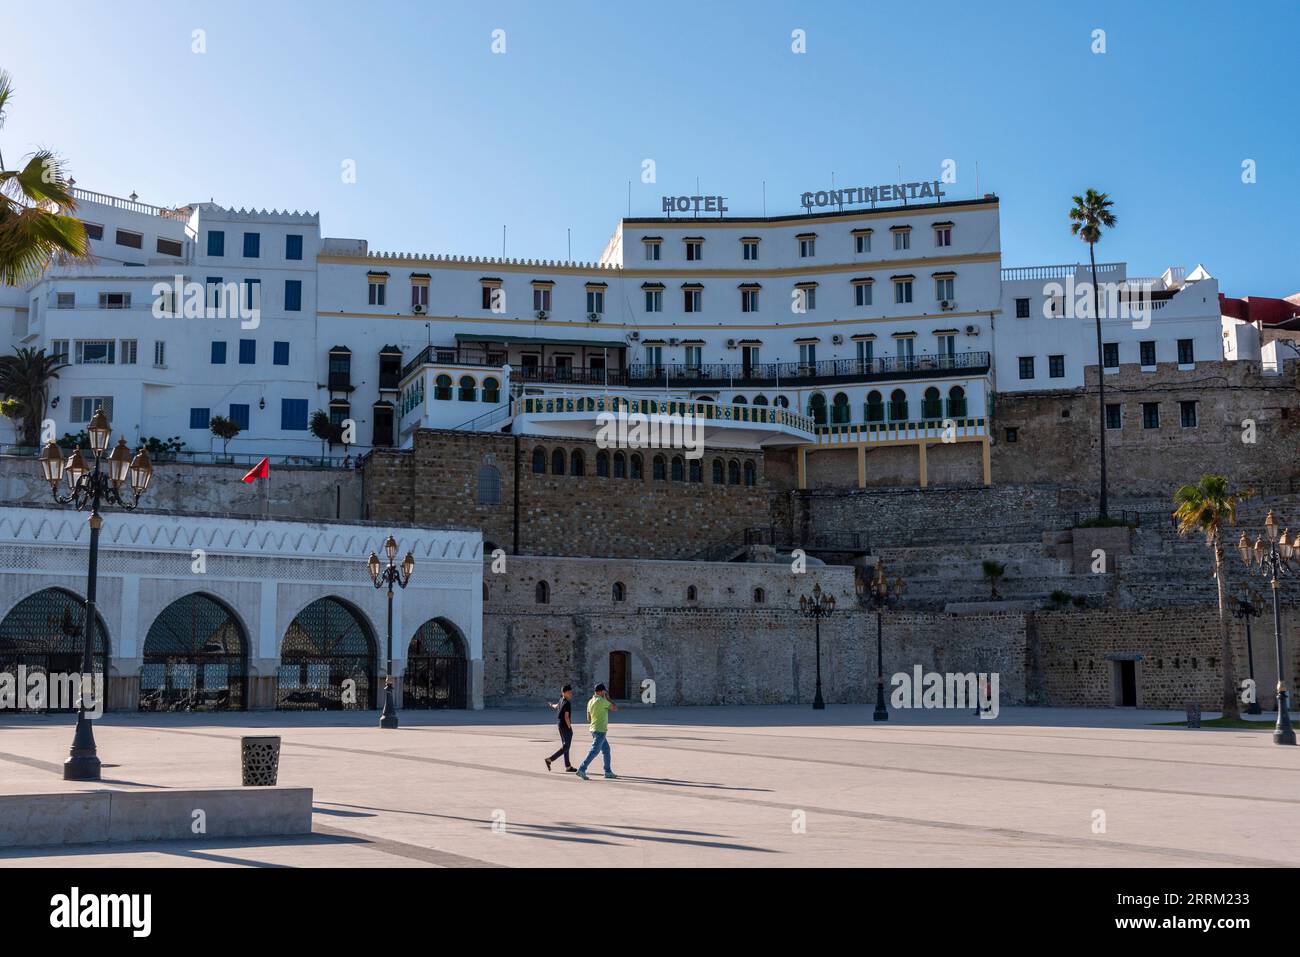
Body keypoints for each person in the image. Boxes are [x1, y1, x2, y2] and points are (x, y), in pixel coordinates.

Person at [575, 682, 618, 780]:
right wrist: (608, 699)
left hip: (593, 729)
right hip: (600, 730)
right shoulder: (602, 701)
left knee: (606, 750)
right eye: (604, 692)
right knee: (594, 751)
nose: (605, 693)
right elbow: (615, 708)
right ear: (602, 691)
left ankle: (608, 771)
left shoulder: (590, 701)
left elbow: (588, 718)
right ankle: (582, 768)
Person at [545, 684, 576, 772]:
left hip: (560, 725)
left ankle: (568, 766)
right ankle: (550, 759)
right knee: (566, 746)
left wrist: (551, 705)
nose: (571, 694)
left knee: (565, 745)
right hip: (565, 726)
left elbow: (556, 706)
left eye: (571, 692)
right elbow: (566, 717)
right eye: (569, 693)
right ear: (564, 693)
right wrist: (570, 727)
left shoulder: (561, 700)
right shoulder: (567, 703)